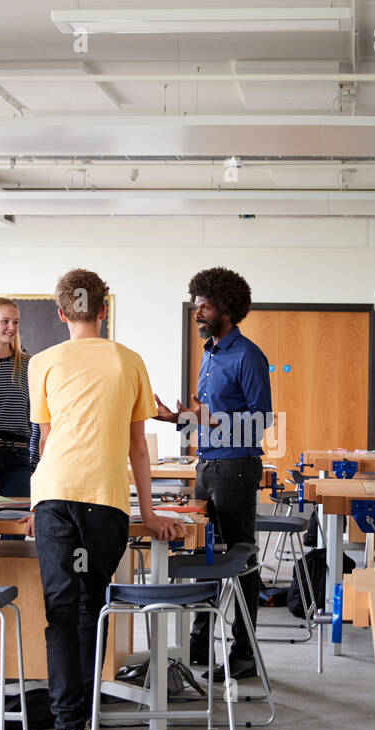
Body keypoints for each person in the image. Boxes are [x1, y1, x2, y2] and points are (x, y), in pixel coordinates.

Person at [29, 269, 182, 730]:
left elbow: (49, 443)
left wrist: (38, 501)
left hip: (54, 499)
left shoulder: (44, 363)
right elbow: (139, 448)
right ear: (104, 309)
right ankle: (84, 716)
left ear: (60, 314)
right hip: (105, 503)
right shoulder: (129, 360)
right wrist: (151, 511)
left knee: (59, 611)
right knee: (89, 607)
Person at [153, 267, 271, 682]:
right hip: (205, 465)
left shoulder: (248, 355)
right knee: (206, 554)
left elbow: (261, 421)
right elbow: (208, 421)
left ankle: (244, 655)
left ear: (227, 309)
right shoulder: (211, 352)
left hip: (236, 469)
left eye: (204, 306)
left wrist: (208, 416)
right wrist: (178, 419)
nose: (197, 313)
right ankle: (200, 645)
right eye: (195, 305)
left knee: (241, 559)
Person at [0, 297, 40, 499]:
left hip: (18, 457)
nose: (12, 327)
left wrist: (34, 462)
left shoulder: (29, 365)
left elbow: (37, 418)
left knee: (15, 525)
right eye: (5, 321)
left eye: (16, 322)